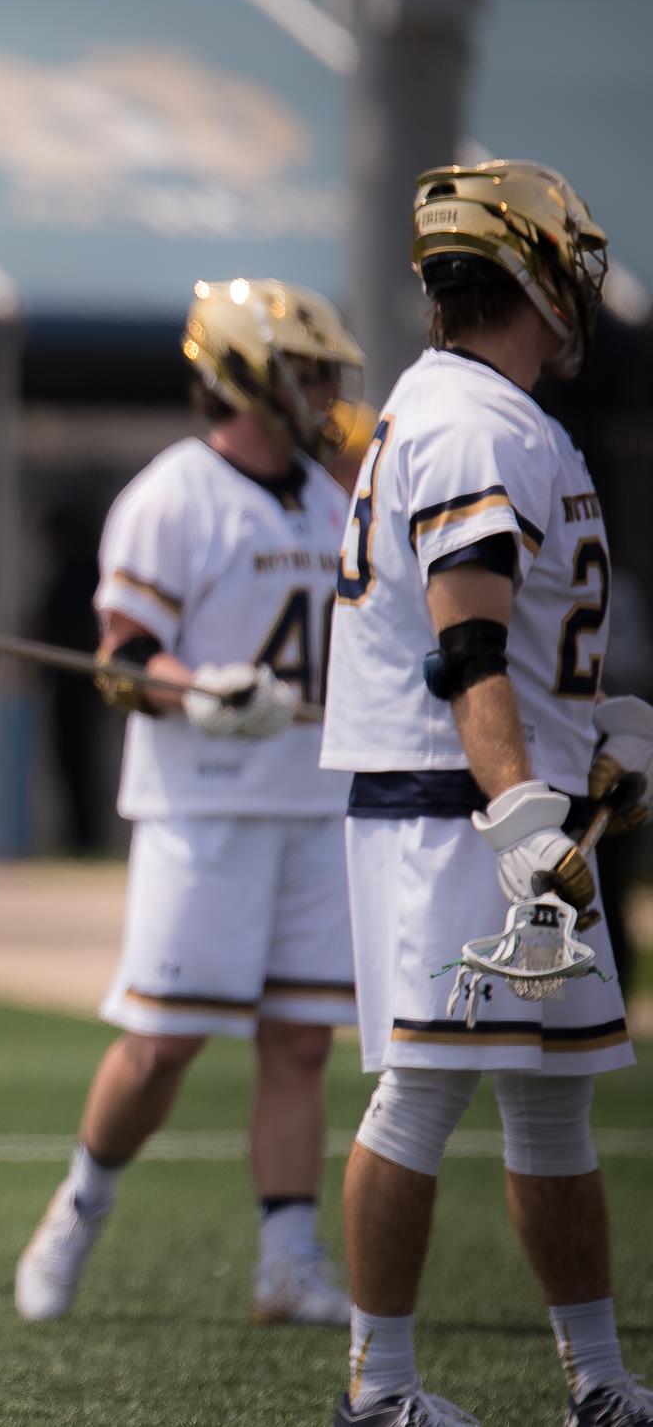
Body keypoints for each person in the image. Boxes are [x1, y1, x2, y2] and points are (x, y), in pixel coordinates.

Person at [321, 159, 653, 1427]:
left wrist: (587, 745)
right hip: (457, 806)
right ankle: (380, 1390)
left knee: (551, 1096)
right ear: (525, 266)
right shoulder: (472, 423)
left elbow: (511, 639)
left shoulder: (474, 410)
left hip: (495, 791)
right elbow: (462, 643)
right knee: (422, 1087)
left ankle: (595, 1377)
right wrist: (520, 804)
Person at [15, 278, 366, 1326]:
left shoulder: (330, 491)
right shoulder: (172, 492)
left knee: (299, 1039)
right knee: (162, 1043)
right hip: (204, 805)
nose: (322, 391)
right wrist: (198, 690)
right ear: (246, 374)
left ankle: (286, 1260)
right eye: (303, 371)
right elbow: (119, 661)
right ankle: (77, 1207)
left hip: (311, 801)